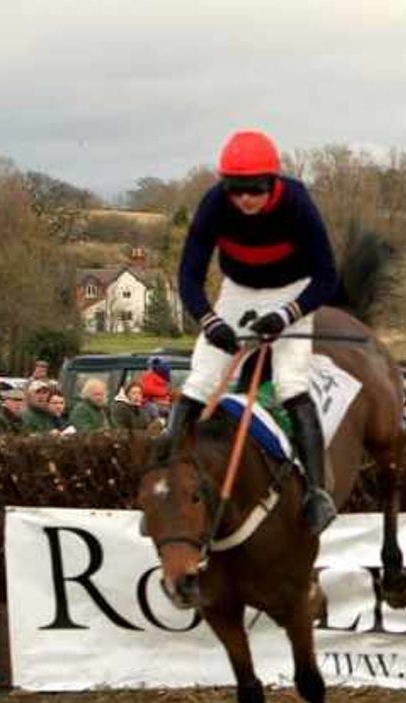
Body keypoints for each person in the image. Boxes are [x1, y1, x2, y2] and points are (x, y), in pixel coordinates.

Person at [167, 129, 340, 533]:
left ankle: (317, 492)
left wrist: (285, 315)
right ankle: (167, 475)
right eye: (236, 190)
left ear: (273, 183)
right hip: (238, 290)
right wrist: (210, 322)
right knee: (201, 379)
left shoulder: (297, 203)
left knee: (289, 383)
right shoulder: (214, 204)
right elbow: (189, 276)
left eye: (255, 190)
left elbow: (327, 276)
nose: (245, 199)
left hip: (292, 290)